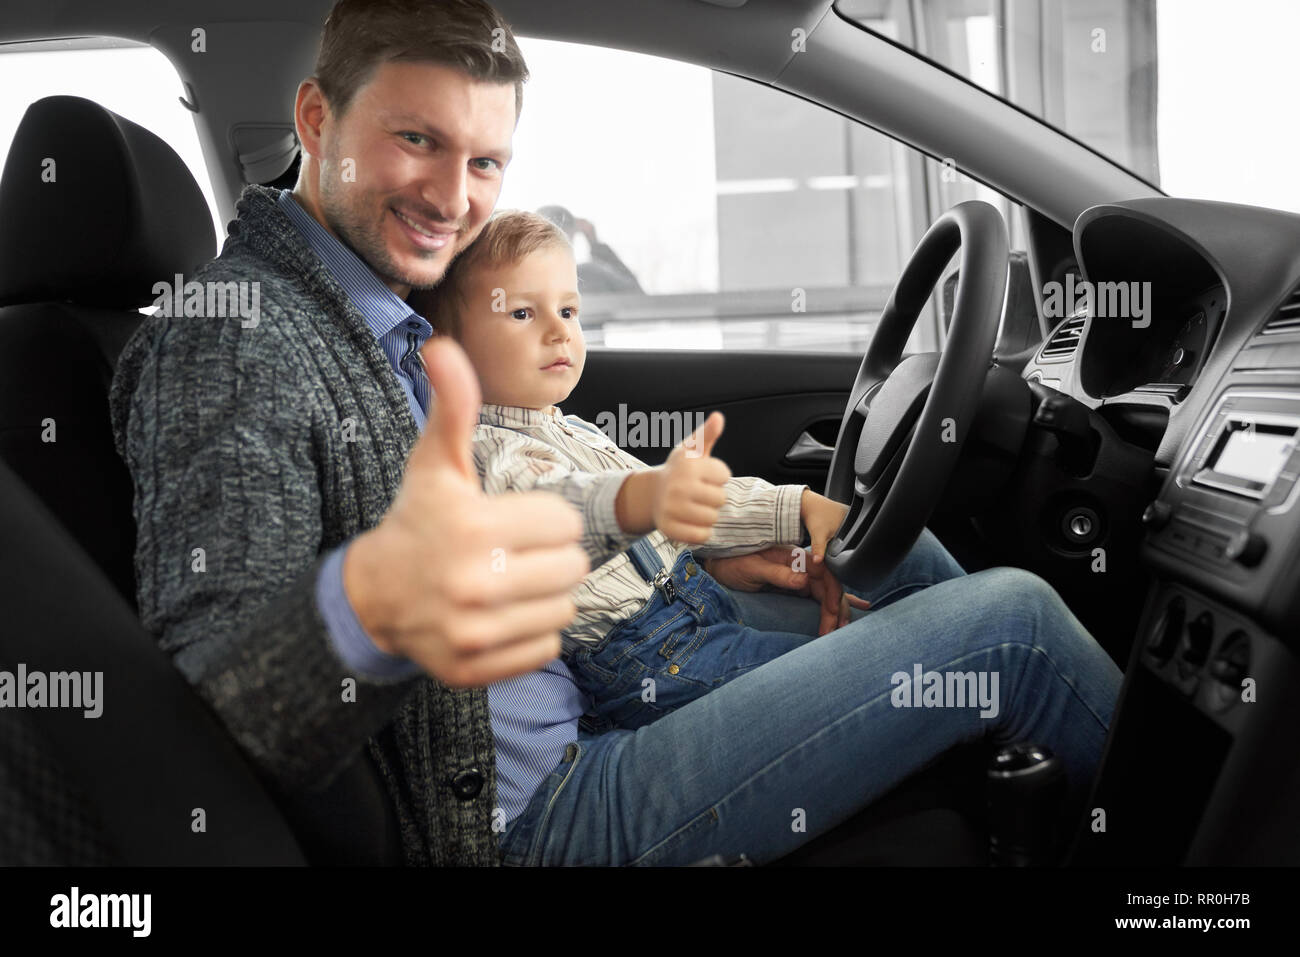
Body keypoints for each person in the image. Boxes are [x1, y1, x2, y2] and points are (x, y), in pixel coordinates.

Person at [108, 0, 1121, 866]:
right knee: (1013, 627)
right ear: (317, 118)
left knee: (887, 555)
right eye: (416, 140)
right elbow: (215, 712)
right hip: (540, 812)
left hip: (596, 681)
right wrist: (372, 606)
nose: (452, 200)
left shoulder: (386, 314)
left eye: (486, 161)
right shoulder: (233, 339)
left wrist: (706, 559)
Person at [420, 209, 870, 732]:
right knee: (856, 674)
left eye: (568, 310)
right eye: (522, 314)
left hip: (693, 604)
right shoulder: (486, 450)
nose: (557, 333)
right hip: (650, 659)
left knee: (861, 634)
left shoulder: (575, 432)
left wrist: (792, 506)